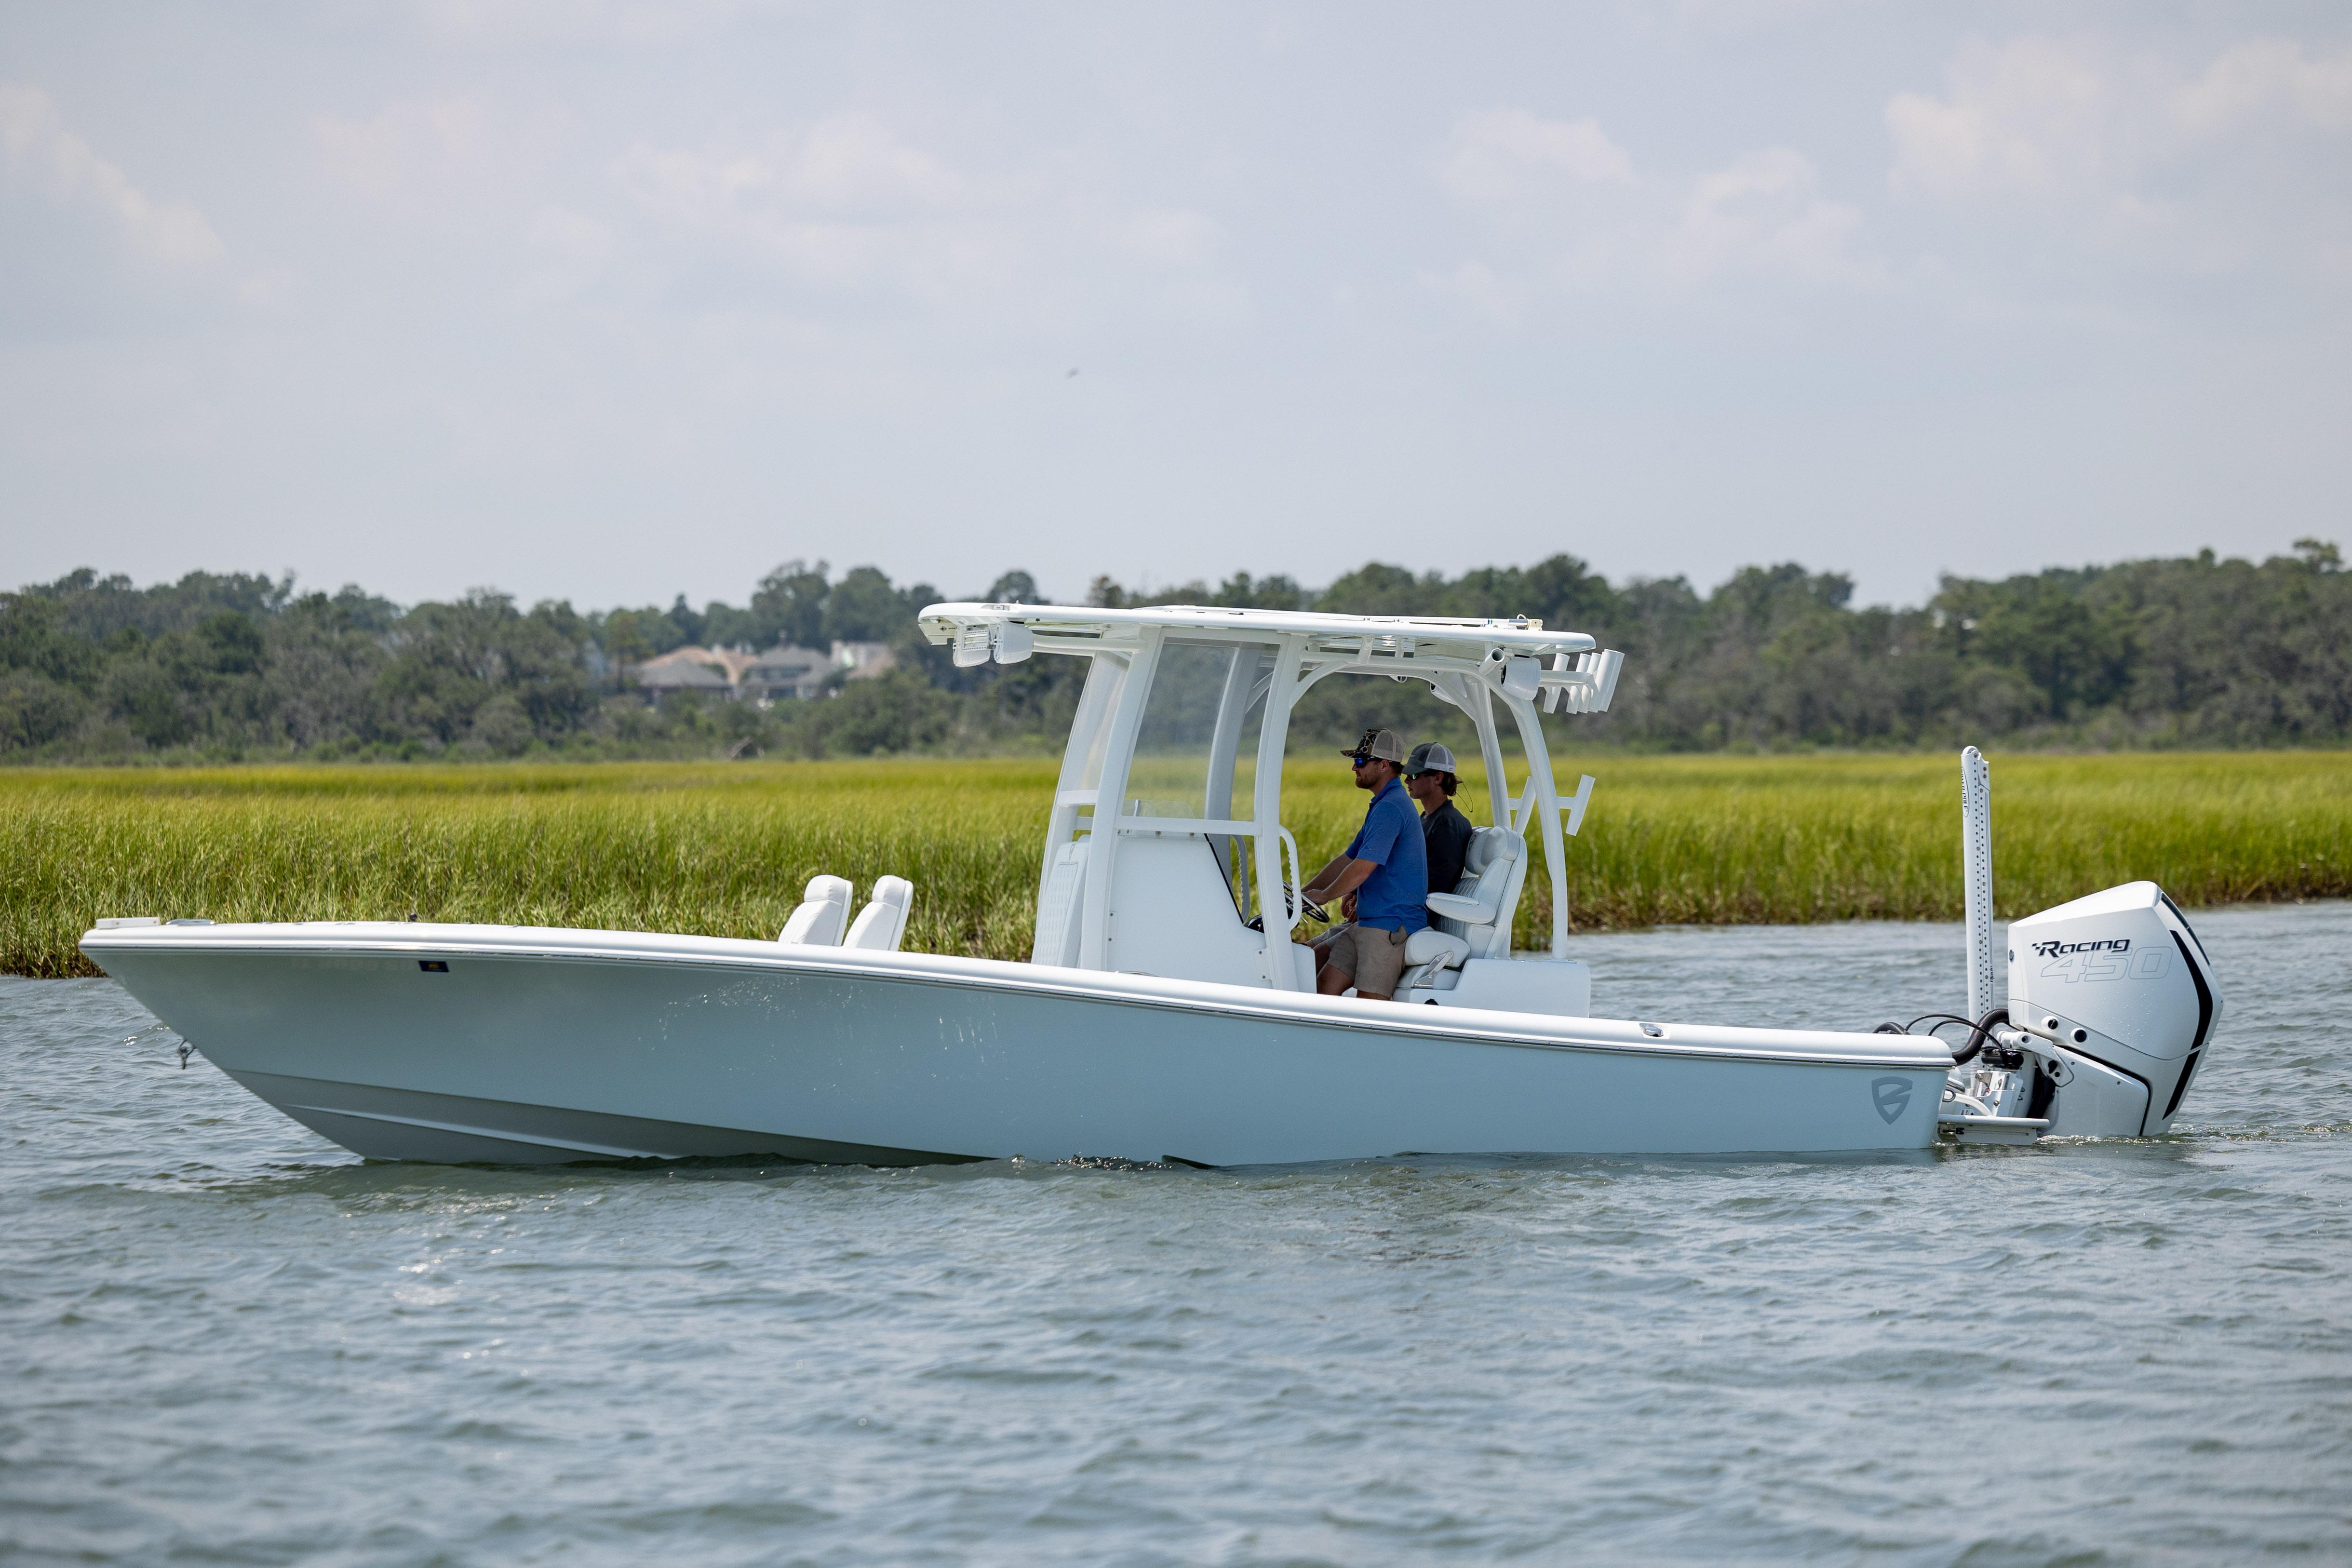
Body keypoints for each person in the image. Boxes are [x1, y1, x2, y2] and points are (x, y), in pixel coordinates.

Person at [1299, 727, 1427, 1000]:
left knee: (1369, 1009)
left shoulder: (1391, 807)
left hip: (1390, 924)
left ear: (1384, 765)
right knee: (1323, 989)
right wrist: (1304, 893)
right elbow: (1347, 859)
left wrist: (1324, 896)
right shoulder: (1382, 804)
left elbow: (1362, 868)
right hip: (1370, 921)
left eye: (1360, 761)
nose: (1354, 768)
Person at [1405, 741, 1476, 895]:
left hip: (1419, 909)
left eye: (1414, 775)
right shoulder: (1427, 818)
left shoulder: (1447, 824)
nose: (1407, 781)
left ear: (1438, 778)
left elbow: (1435, 884)